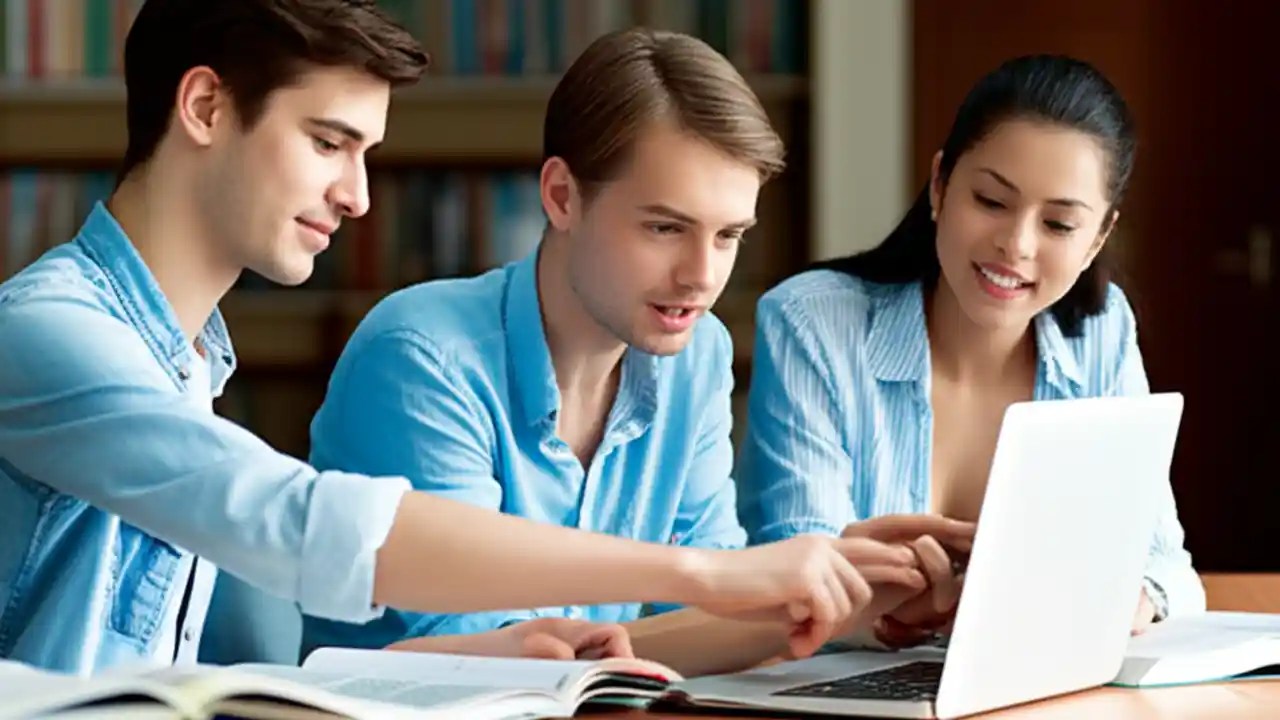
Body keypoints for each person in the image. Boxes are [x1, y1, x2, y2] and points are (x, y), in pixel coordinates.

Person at [0, 0, 922, 675]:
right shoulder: (50, 334)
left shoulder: (189, 360)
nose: (359, 197)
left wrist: (823, 591)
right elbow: (307, 526)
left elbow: (228, 684)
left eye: (365, 154)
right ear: (203, 107)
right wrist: (709, 575)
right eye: (329, 143)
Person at [298, 27, 971, 677]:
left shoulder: (695, 353)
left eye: (729, 235)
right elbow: (491, 661)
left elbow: (699, 617)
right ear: (563, 196)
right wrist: (752, 601)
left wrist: (840, 590)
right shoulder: (423, 357)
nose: (702, 277)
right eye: (665, 227)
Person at [735, 54, 1206, 649]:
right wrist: (904, 614)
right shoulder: (813, 323)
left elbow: (1166, 565)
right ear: (939, 185)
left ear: (1098, 239)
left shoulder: (1101, 331)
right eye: (991, 201)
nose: (1016, 244)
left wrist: (1123, 602)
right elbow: (801, 585)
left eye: (1059, 225)